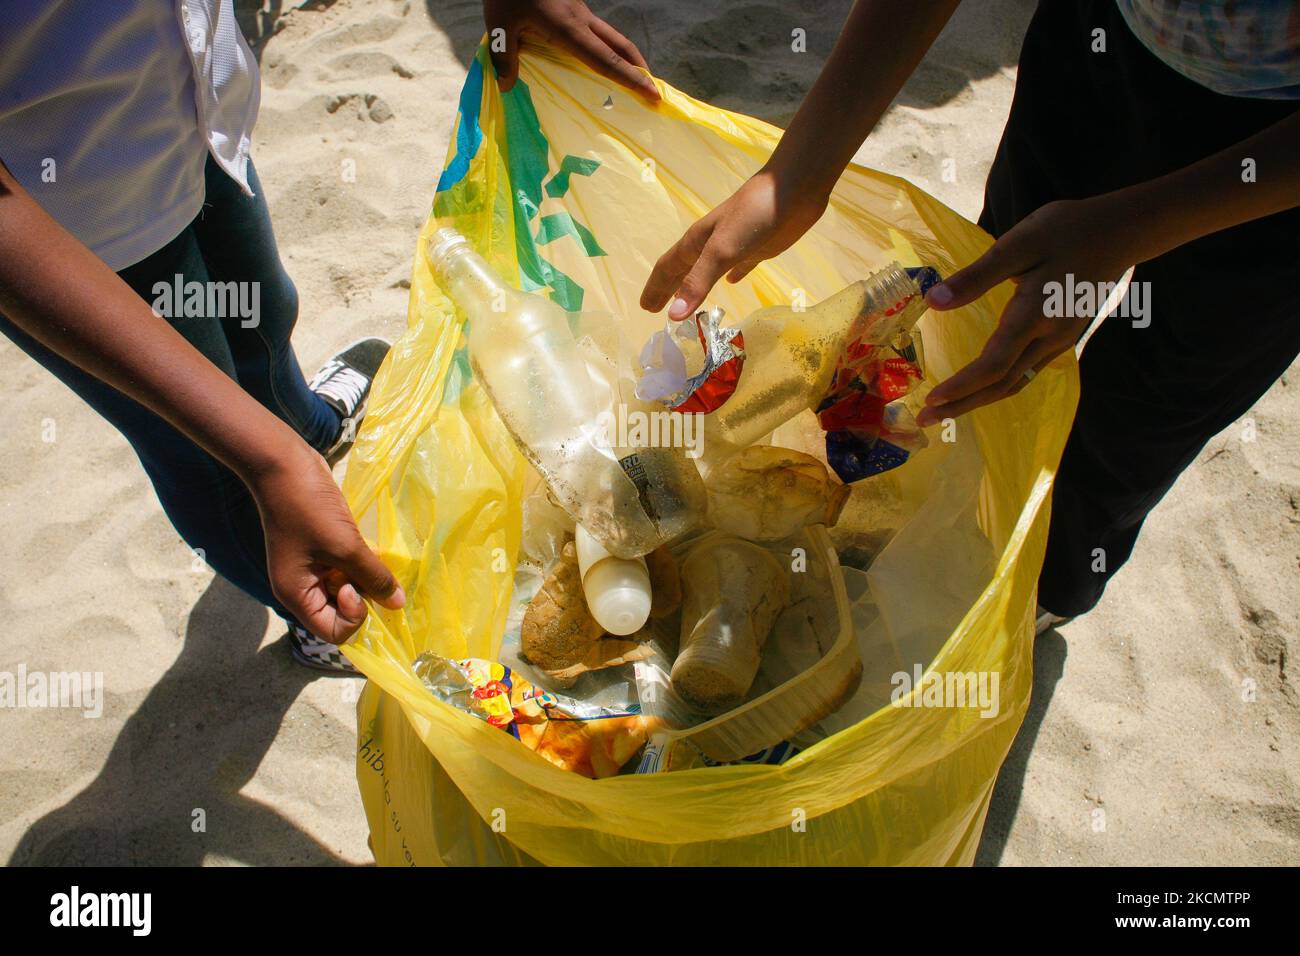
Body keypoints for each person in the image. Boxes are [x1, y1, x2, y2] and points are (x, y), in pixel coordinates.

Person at [0, 0, 655, 670]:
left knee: (263, 316)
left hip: (204, 112)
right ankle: (315, 613)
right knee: (201, 447)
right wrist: (267, 463)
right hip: (75, 222)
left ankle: (309, 428)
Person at [639, 0, 1300, 633]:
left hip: (1276, 172)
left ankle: (1051, 586)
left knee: (1146, 406)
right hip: (1103, 45)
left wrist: (1132, 226)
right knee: (994, 330)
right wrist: (799, 172)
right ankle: (957, 511)